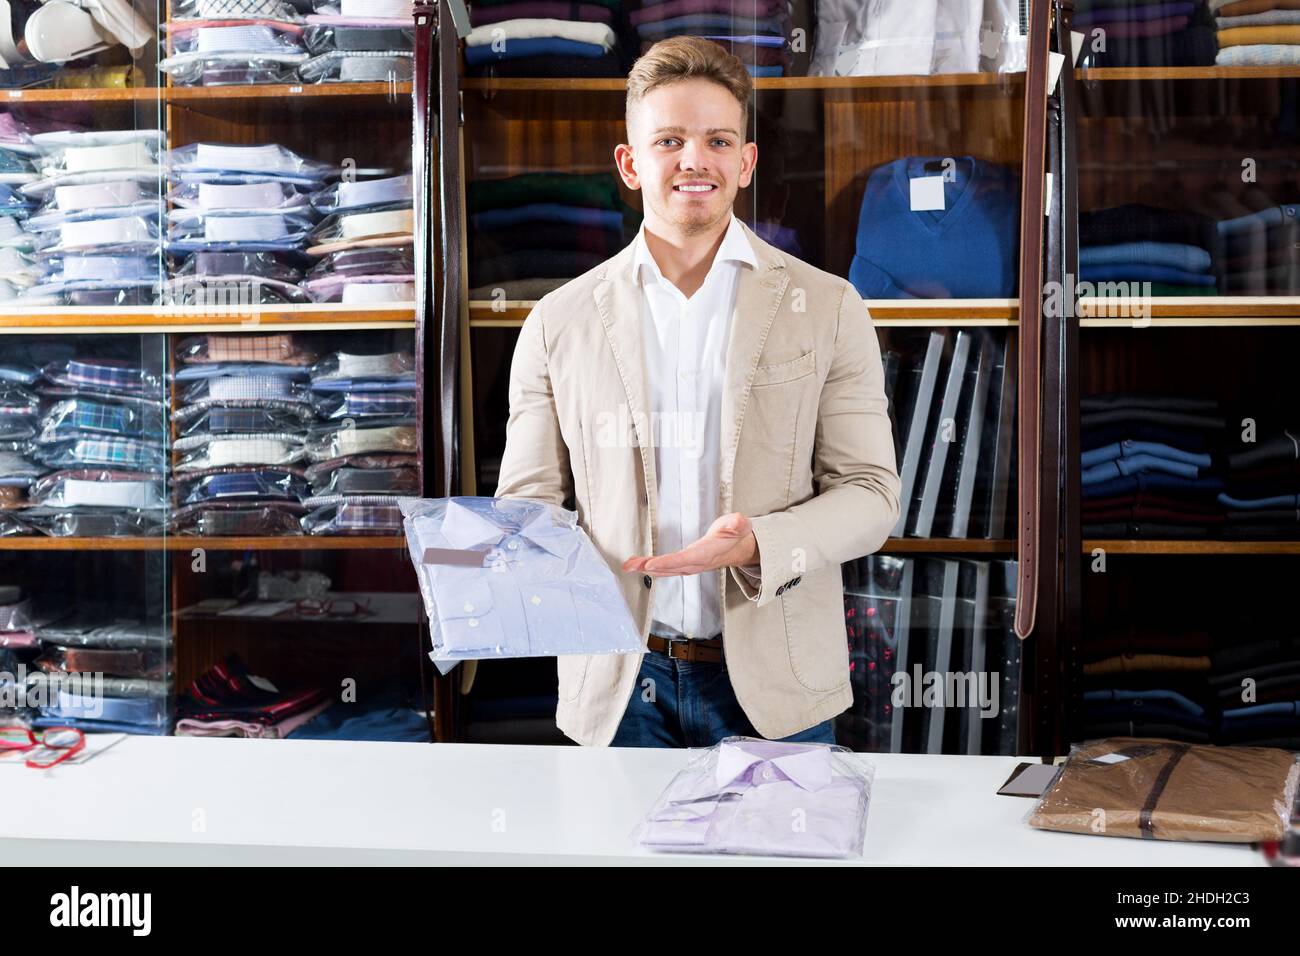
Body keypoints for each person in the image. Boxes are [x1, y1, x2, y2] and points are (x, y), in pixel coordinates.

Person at [494, 36, 900, 747]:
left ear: (745, 163)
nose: (693, 160)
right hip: (619, 694)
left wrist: (760, 545)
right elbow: (527, 503)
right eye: (669, 140)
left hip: (777, 693)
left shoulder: (830, 307)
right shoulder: (557, 322)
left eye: (717, 140)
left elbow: (871, 497)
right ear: (630, 163)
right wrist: (477, 557)